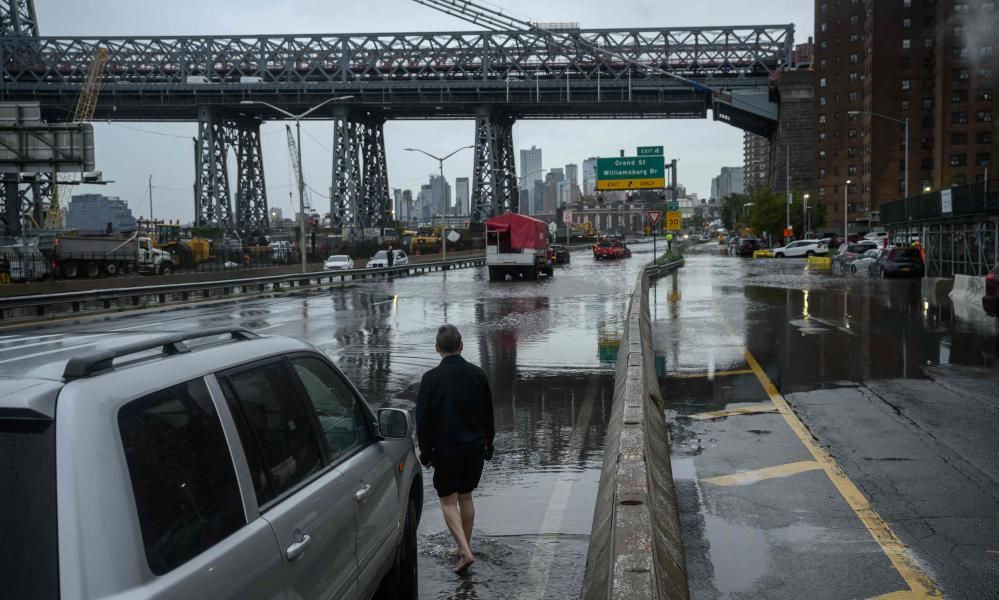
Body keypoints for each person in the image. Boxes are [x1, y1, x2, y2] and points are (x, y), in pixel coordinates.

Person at [416, 324, 495, 574]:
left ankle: (464, 549)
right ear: (461, 345)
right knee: (466, 496)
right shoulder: (477, 374)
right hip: (474, 446)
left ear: (437, 348)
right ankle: (464, 545)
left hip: (446, 449)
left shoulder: (430, 380)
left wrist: (426, 453)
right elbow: (488, 415)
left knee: (448, 501)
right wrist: (489, 445)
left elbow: (423, 420)